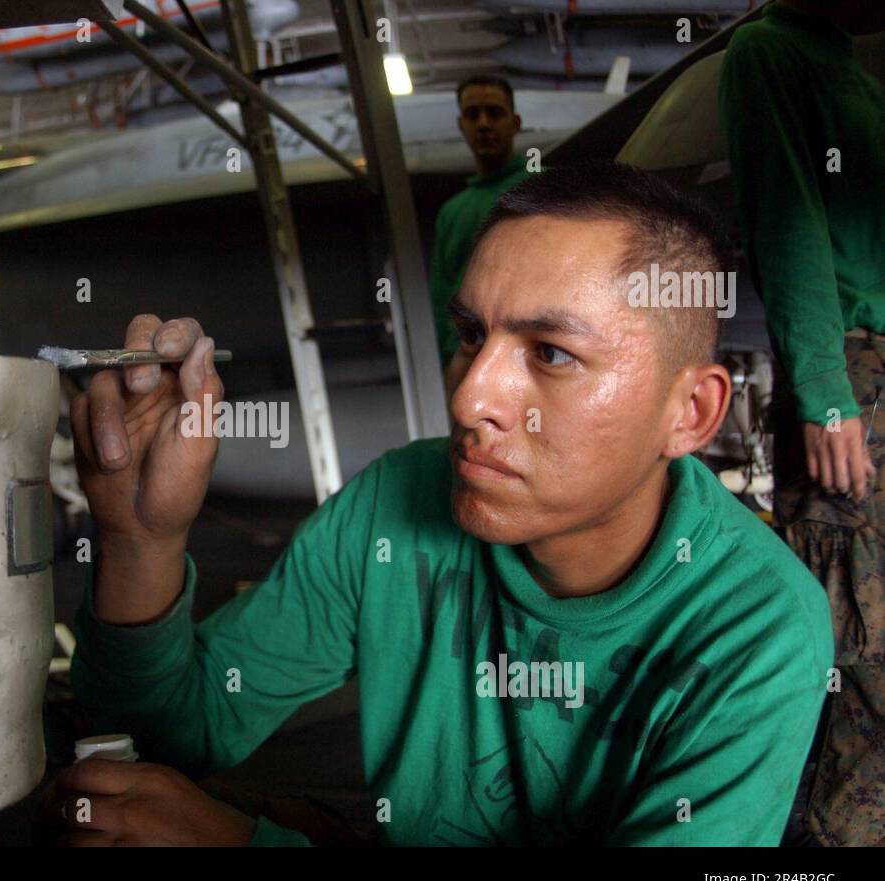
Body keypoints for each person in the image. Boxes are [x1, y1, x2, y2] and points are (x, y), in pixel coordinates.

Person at [56, 162, 832, 846]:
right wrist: (140, 538)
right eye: (469, 334)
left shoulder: (759, 625)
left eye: (551, 353)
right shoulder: (395, 503)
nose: (469, 396)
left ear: (690, 413)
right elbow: (170, 731)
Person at [719, 0, 885, 846]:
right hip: (855, 383)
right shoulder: (770, 51)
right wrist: (825, 391)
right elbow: (788, 218)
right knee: (863, 671)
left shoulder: (854, 68)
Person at [428, 75, 532, 368]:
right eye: (473, 115)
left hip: (536, 353)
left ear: (515, 122)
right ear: (462, 126)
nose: (483, 124)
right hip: (472, 358)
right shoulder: (452, 212)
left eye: (494, 113)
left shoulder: (546, 187)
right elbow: (441, 299)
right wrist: (451, 359)